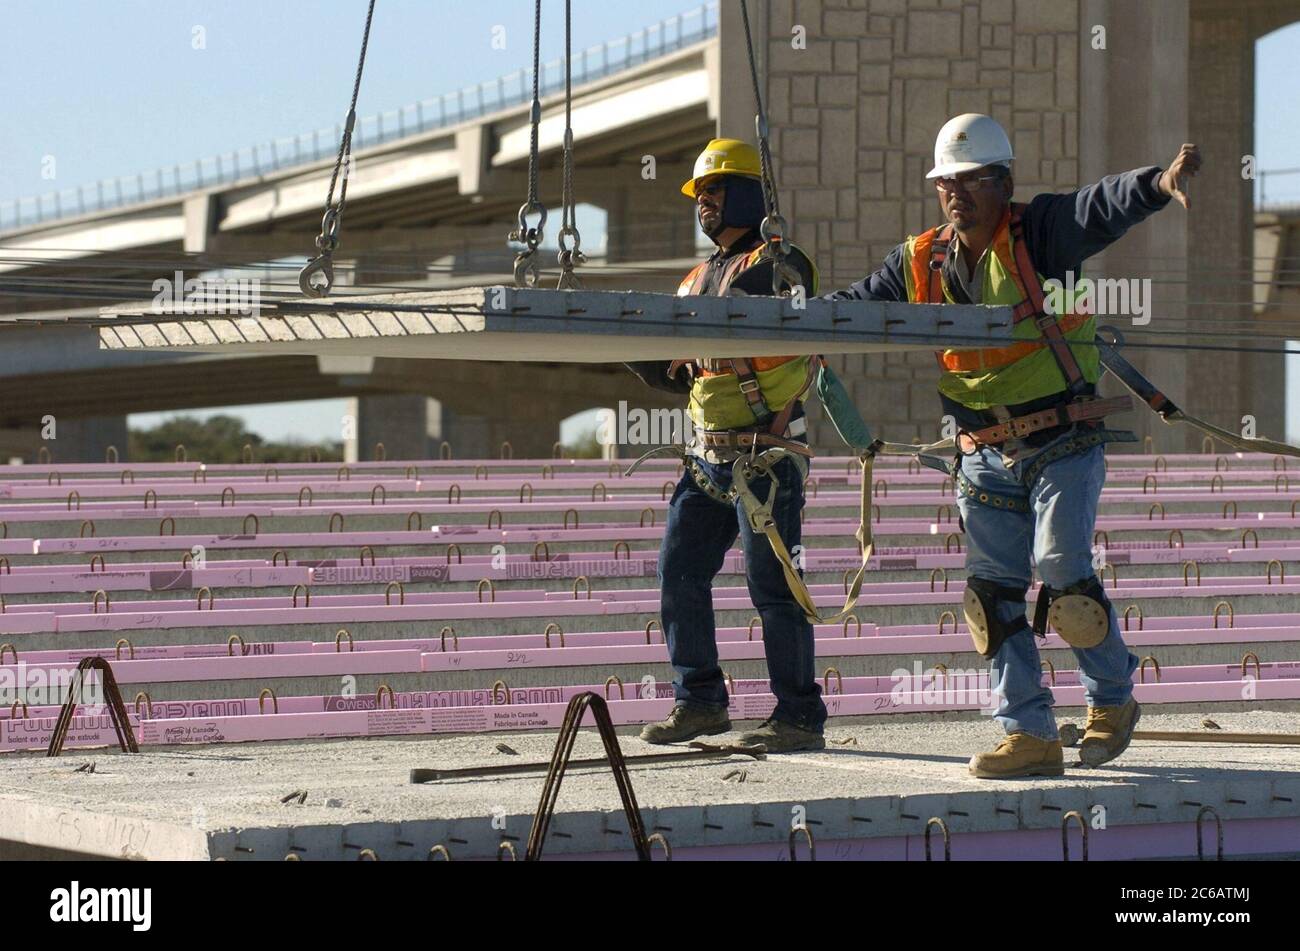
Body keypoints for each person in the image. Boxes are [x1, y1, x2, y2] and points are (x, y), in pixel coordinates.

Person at [826, 114, 1201, 777]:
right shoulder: (917, 261)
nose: (956, 193)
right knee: (991, 595)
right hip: (981, 454)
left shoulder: (1042, 233)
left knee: (1061, 567)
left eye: (971, 181)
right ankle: (1029, 732)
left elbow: (1101, 207)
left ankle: (1112, 700)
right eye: (948, 182)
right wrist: (780, 323)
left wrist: (1155, 184)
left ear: (1003, 183)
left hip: (1062, 438)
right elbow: (851, 308)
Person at [624, 138, 826, 753]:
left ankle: (797, 716)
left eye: (715, 190)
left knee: (772, 586)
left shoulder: (779, 262)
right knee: (679, 572)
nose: (705, 202)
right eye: (700, 194)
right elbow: (680, 368)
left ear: (746, 194)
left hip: (766, 454)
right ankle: (701, 701)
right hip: (710, 454)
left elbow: (766, 313)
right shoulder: (695, 278)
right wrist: (632, 345)